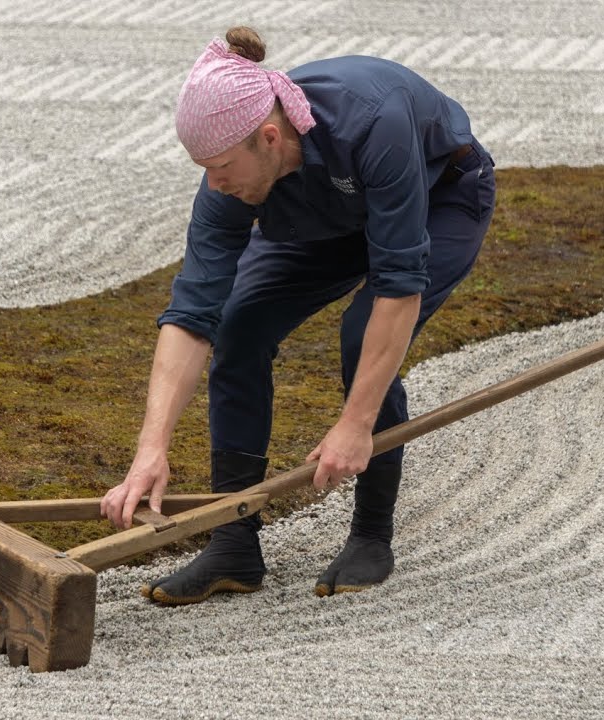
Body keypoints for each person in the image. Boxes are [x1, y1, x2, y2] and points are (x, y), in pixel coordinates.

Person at [100, 26, 496, 604]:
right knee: (239, 324)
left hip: (439, 198)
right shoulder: (233, 179)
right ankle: (234, 543)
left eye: (221, 167)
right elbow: (191, 313)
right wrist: (150, 449)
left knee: (363, 334)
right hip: (322, 208)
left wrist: (355, 425)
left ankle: (371, 534)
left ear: (269, 136)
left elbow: (398, 286)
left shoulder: (374, 121)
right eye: (203, 169)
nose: (213, 184)